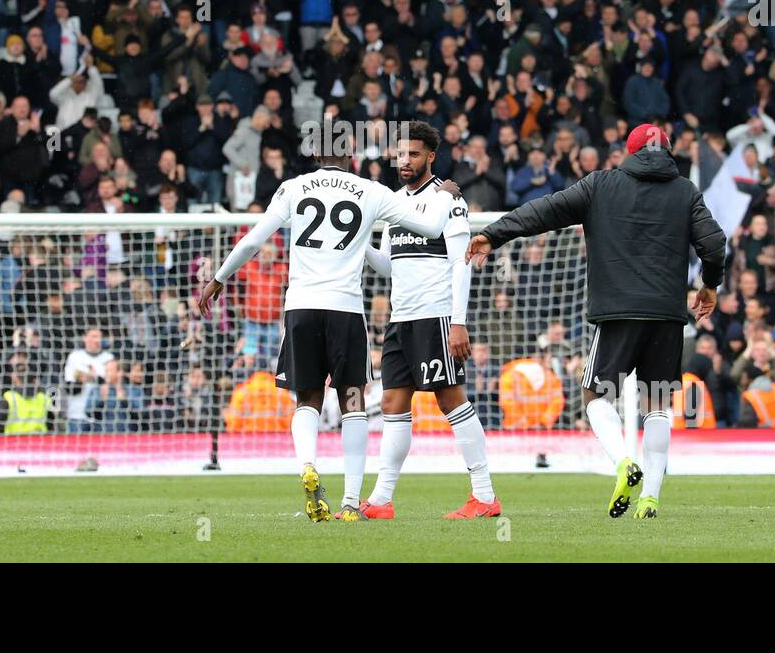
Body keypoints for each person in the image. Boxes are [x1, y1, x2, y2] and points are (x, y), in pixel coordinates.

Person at [467, 123, 726, 519]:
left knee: (595, 396)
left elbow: (545, 211)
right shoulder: (685, 191)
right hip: (667, 316)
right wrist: (708, 286)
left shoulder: (601, 185)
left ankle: (624, 463)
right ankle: (652, 498)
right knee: (657, 402)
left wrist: (495, 234)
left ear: (630, 151)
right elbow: (714, 243)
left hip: (618, 312)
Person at [198, 138, 459, 522]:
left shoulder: (293, 187)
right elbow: (431, 225)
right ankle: (351, 501)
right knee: (353, 402)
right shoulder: (372, 191)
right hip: (345, 309)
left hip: (301, 306)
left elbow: (253, 240)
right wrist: (444, 195)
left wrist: (219, 278)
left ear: (316, 155)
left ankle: (308, 465)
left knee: (307, 399)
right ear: (349, 154)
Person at [361, 121, 500, 519]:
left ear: (431, 157)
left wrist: (459, 321)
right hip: (400, 317)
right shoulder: (393, 202)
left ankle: (485, 495)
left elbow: (462, 262)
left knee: (450, 398)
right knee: (392, 402)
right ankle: (383, 500)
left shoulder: (449, 199)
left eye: (414, 154)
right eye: (401, 154)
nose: (405, 161)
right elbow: (388, 264)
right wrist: (362, 247)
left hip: (436, 314)